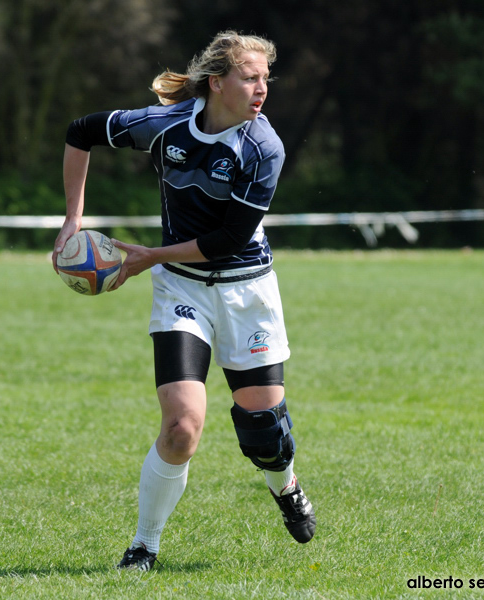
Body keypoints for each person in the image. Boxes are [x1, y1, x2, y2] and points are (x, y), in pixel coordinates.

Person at [53, 30, 315, 570]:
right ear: (217, 82)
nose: (261, 88)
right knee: (181, 428)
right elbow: (81, 133)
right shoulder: (167, 123)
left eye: (266, 78)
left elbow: (229, 241)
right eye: (250, 77)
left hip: (247, 291)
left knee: (265, 434)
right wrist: (73, 220)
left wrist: (148, 254)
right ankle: (144, 545)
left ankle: (284, 485)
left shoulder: (264, 147)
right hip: (181, 289)